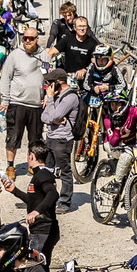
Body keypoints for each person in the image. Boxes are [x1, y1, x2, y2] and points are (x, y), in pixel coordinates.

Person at [0, 25, 47, 176]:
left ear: (36, 39)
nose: (27, 41)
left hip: (36, 104)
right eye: (25, 38)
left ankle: (32, 166)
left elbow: (50, 77)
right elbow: (5, 78)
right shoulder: (14, 55)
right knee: (13, 136)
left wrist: (48, 95)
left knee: (35, 138)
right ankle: (10, 166)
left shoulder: (44, 55)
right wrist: (5, 100)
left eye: (31, 39)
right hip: (17, 102)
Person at [11, 140, 61, 265]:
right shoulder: (41, 175)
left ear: (31, 156)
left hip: (43, 231)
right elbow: (34, 201)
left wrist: (35, 212)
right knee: (41, 268)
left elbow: (53, 194)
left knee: (34, 268)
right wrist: (14, 191)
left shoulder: (43, 175)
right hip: (41, 231)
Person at [42, 70, 80, 210]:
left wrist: (50, 100)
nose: (48, 86)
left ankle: (65, 202)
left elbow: (52, 116)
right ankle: (43, 199)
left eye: (50, 83)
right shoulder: (55, 96)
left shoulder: (70, 98)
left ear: (59, 82)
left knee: (64, 171)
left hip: (62, 140)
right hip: (51, 137)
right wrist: (54, 119)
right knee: (45, 170)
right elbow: (44, 117)